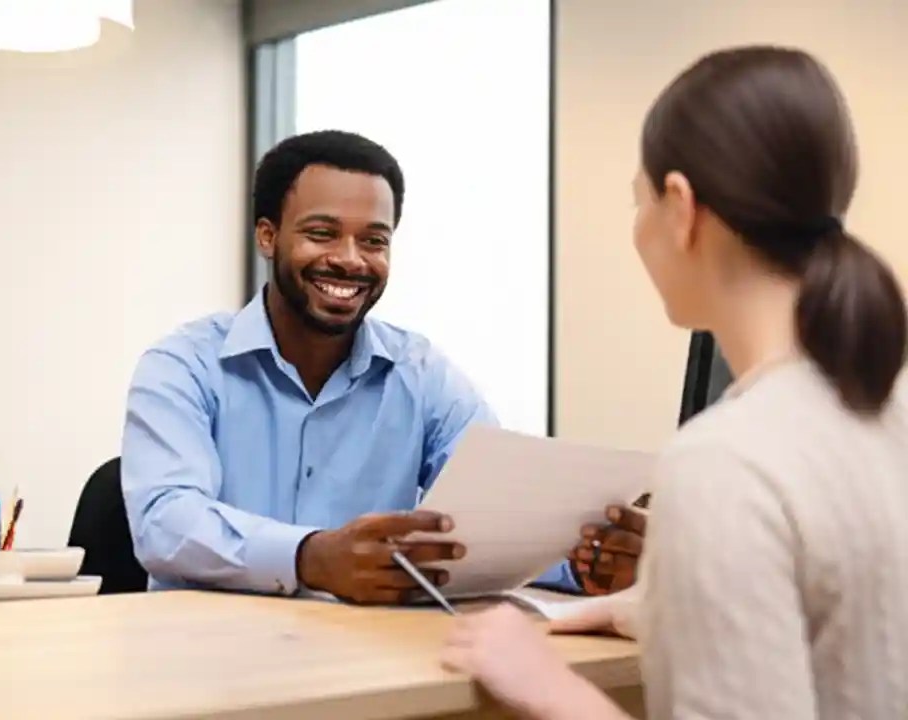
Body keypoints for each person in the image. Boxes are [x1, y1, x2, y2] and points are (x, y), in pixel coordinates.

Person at [441, 45, 908, 719]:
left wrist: (546, 684)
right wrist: (673, 606)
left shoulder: (724, 463)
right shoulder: (884, 411)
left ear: (682, 207)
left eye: (640, 201)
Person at [120, 129, 638, 604]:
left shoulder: (422, 375)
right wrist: (312, 558)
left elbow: (493, 526)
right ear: (266, 236)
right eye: (321, 233)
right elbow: (165, 523)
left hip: (369, 663)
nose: (350, 260)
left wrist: (586, 565)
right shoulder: (184, 365)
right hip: (205, 665)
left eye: (374, 240)